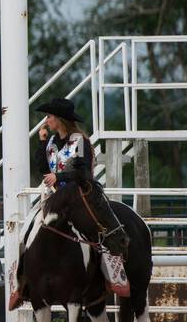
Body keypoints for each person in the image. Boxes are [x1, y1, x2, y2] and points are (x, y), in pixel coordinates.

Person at [9, 96, 128, 309]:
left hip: (81, 195)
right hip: (57, 199)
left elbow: (83, 172)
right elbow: (43, 167)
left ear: (60, 119)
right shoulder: (53, 142)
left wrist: (60, 178)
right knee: (26, 229)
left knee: (100, 229)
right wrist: (42, 142)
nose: (46, 120)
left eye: (49, 116)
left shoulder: (79, 141)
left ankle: (115, 275)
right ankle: (20, 284)